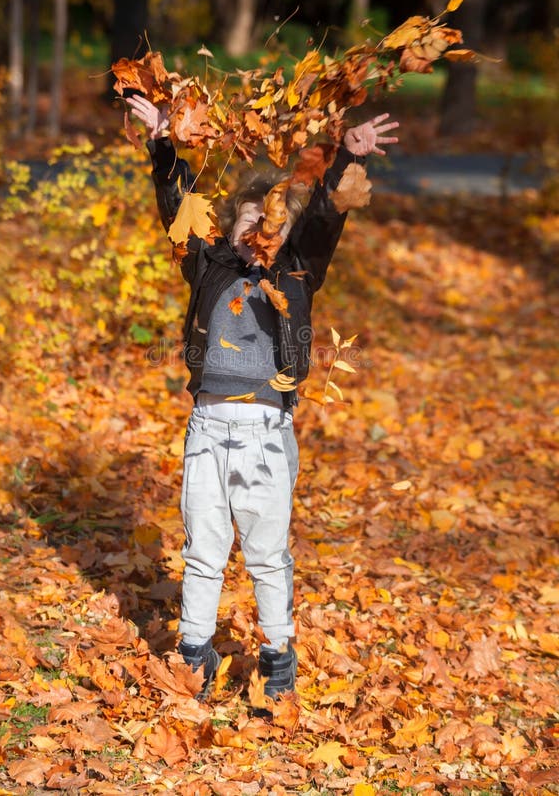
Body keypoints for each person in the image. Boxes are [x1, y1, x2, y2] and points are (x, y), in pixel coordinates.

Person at [127, 93, 399, 698]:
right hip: (207, 429)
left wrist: (339, 167)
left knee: (267, 555)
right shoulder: (209, 265)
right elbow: (179, 207)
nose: (261, 228)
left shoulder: (296, 270)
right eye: (250, 218)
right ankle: (193, 652)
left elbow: (323, 221)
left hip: (267, 437)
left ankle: (278, 655)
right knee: (203, 549)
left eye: (272, 220)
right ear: (233, 226)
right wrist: (163, 145)